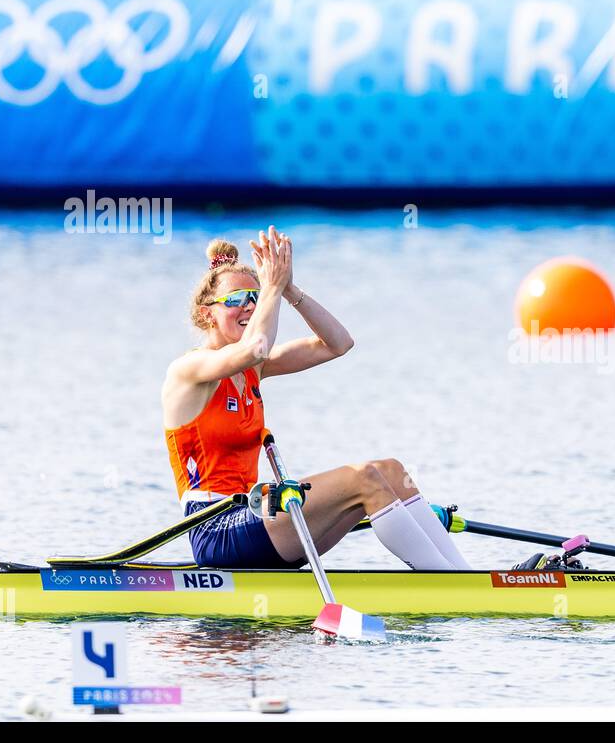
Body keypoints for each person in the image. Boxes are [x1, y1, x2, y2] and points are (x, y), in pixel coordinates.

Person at [161, 227, 473, 570]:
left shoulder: (253, 369)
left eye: (254, 295)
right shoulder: (189, 370)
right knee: (364, 476)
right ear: (208, 314)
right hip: (215, 530)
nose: (249, 305)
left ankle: (462, 575)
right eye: (236, 299)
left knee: (392, 472)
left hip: (253, 515)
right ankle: (452, 582)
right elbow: (256, 347)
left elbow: (338, 343)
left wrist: (290, 290)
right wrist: (272, 290)